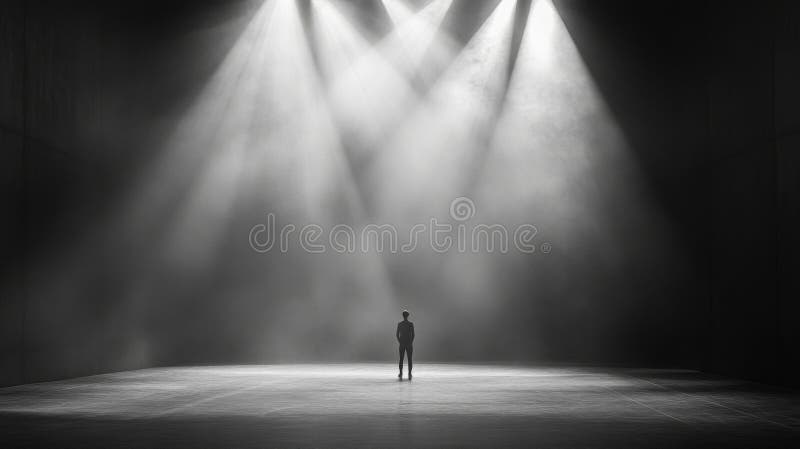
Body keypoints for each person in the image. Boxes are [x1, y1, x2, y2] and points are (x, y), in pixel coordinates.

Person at [396, 310, 414, 379]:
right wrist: (411, 342)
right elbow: (413, 335)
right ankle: (409, 373)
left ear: (403, 316)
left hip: (402, 343)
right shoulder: (410, 324)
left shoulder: (400, 324)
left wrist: (400, 341)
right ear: (408, 316)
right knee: (410, 359)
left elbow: (397, 334)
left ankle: (401, 373)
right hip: (408, 343)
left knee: (401, 358)